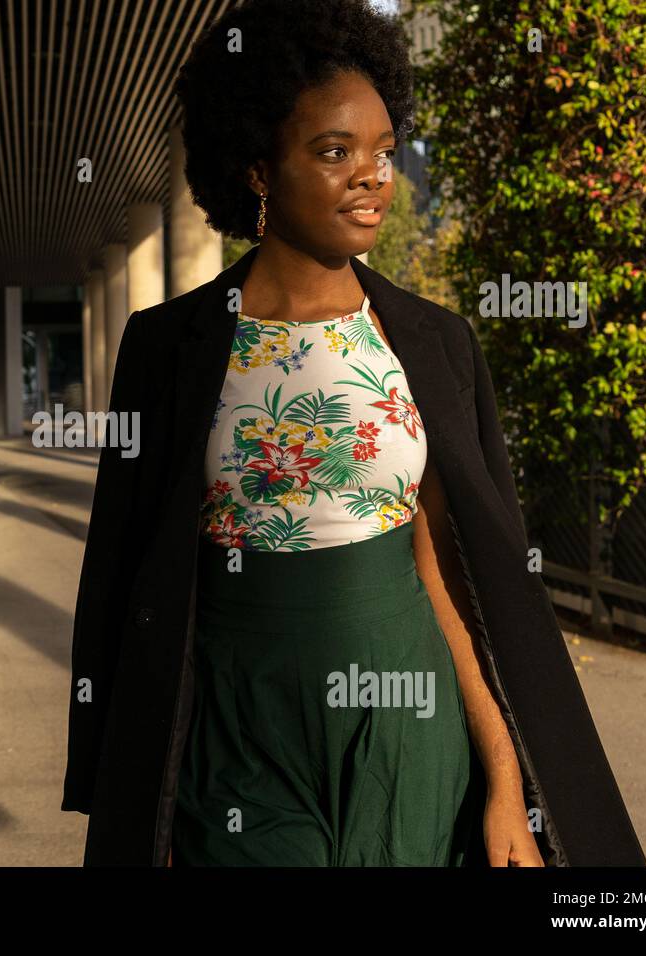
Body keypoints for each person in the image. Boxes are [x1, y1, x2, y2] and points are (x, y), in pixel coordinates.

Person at [165, 0, 537, 866]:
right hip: (243, 735)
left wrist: (506, 781)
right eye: (336, 152)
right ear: (258, 168)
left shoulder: (433, 342)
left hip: (409, 717)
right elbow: (134, 582)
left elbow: (451, 575)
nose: (374, 175)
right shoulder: (171, 349)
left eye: (380, 150)